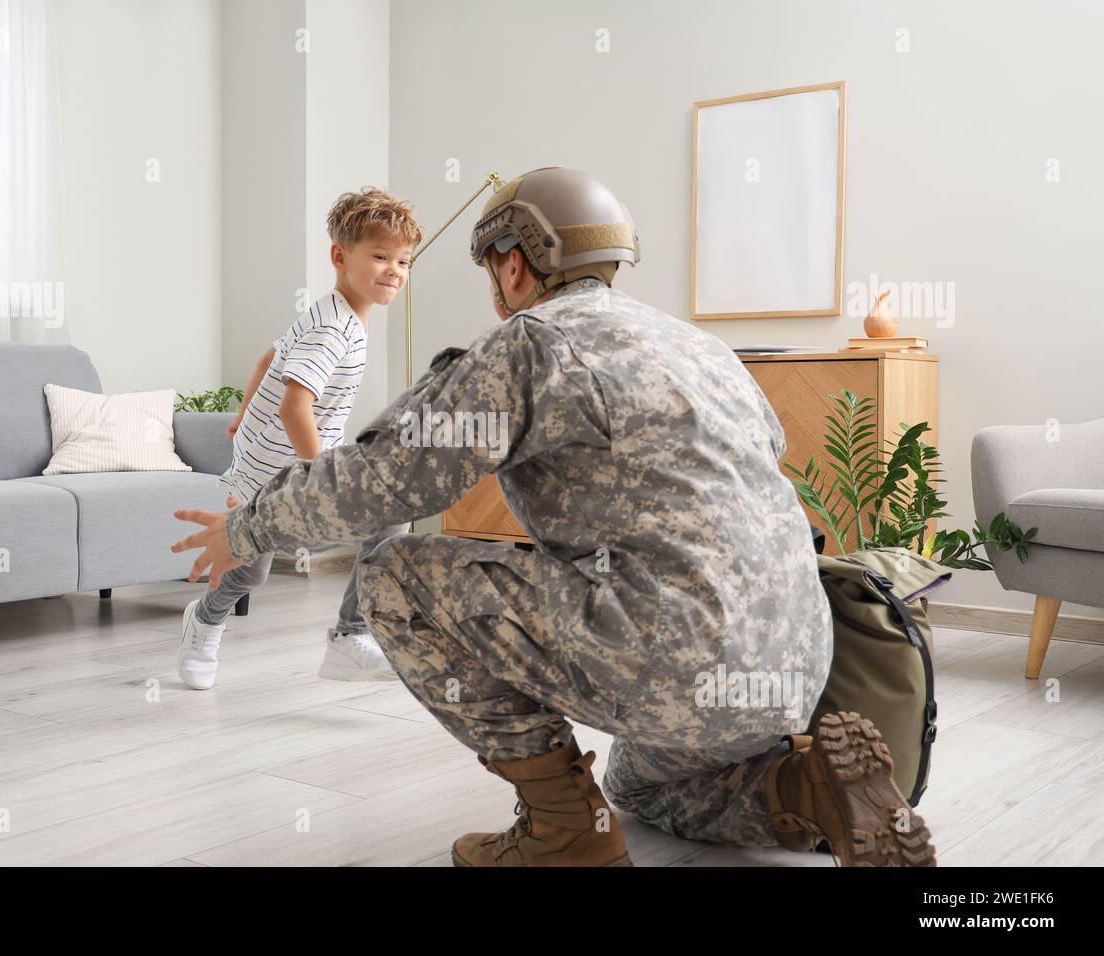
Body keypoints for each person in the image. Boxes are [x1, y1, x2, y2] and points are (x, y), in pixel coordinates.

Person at [172, 167, 937, 867]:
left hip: (671, 655)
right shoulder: (702, 348)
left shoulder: (533, 343)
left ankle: (563, 828)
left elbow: (382, 481)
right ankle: (802, 788)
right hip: (792, 672)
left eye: (491, 271)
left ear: (515, 260)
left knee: (392, 576)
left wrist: (248, 527)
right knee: (640, 785)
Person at [175, 187, 418, 690]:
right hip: (278, 473)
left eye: (403, 260)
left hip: (275, 464)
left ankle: (349, 636)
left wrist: (242, 413)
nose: (394, 270)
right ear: (340, 256)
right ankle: (203, 623)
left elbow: (271, 358)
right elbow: (294, 406)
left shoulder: (333, 313)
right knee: (248, 573)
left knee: (383, 517)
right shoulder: (335, 329)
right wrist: (324, 476)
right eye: (379, 256)